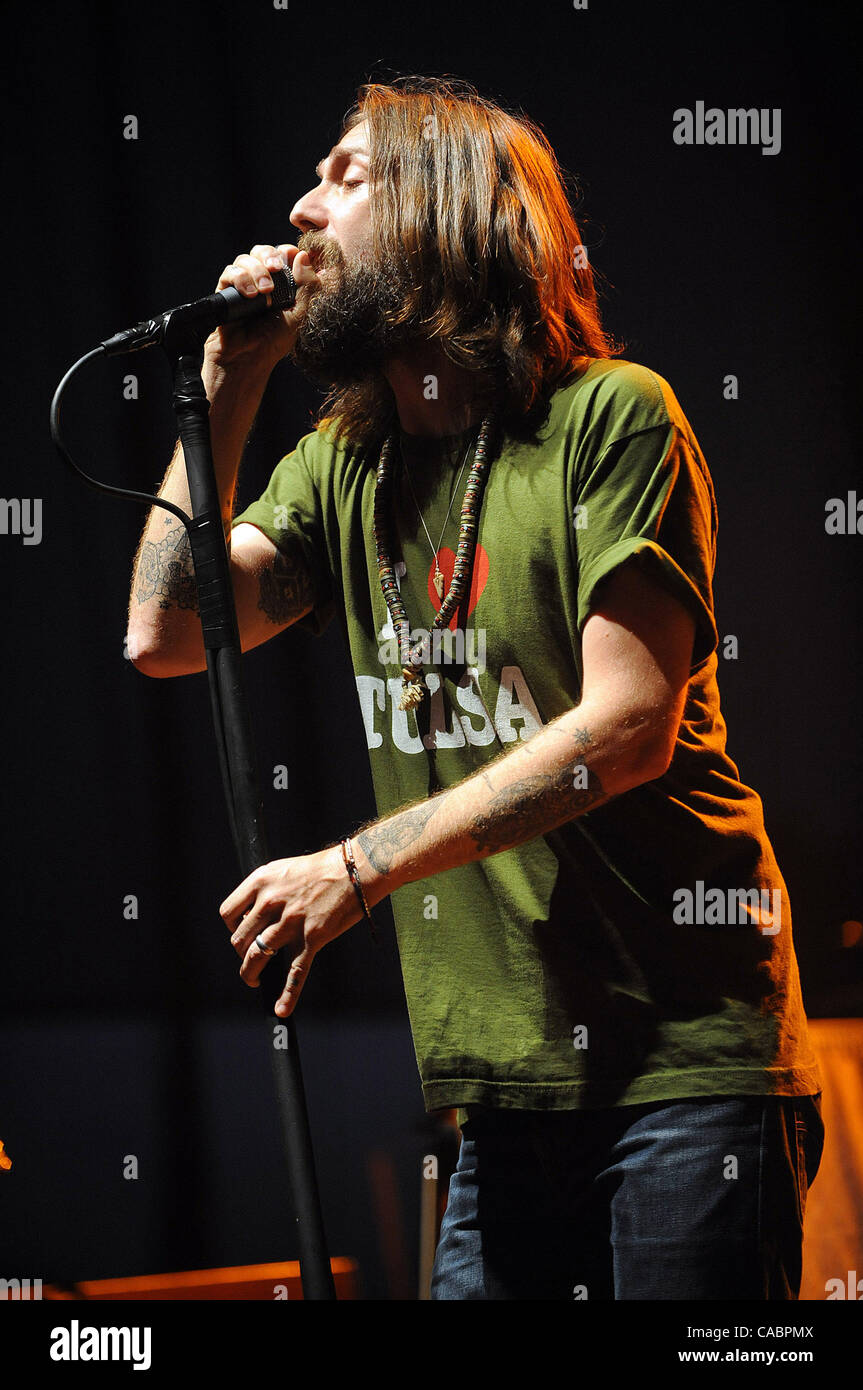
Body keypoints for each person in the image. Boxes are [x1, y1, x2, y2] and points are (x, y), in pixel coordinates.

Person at [126, 76, 823, 1300]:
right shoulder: (345, 463)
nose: (300, 208)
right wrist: (232, 374)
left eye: (347, 177)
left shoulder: (614, 418)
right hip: (498, 1095)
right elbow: (167, 634)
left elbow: (626, 729)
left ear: (446, 212)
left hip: (681, 1069)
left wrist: (353, 868)